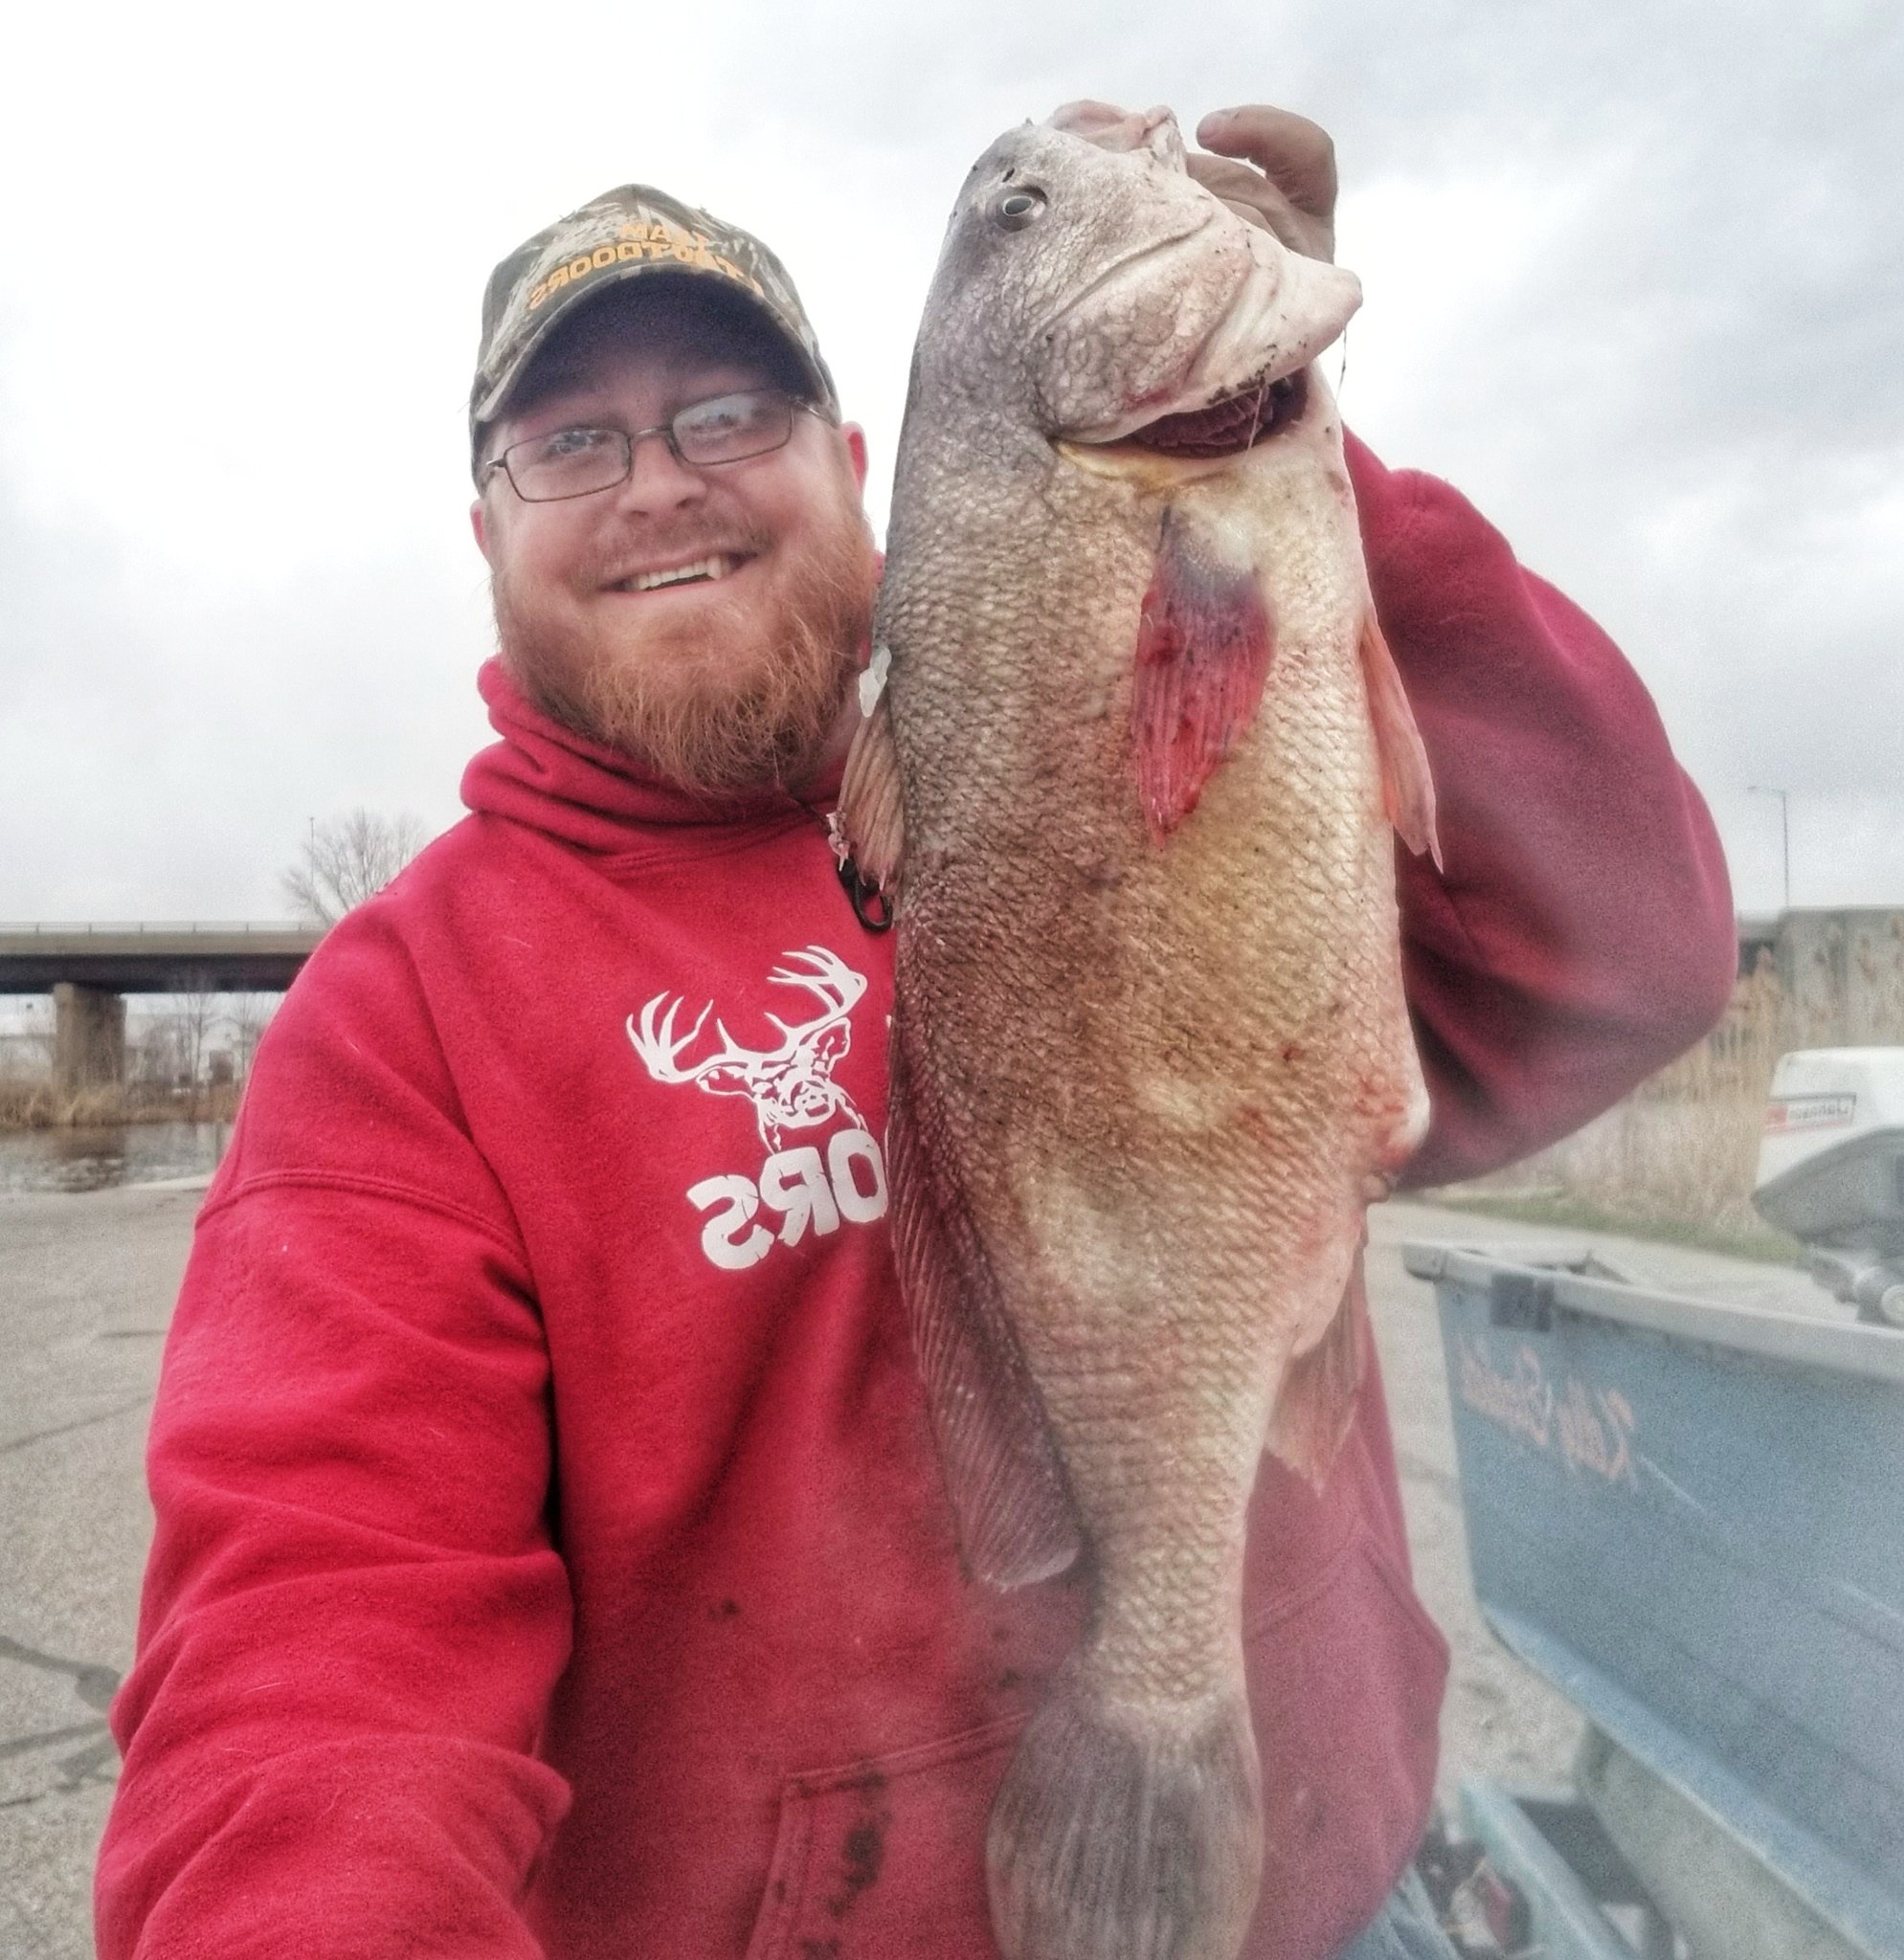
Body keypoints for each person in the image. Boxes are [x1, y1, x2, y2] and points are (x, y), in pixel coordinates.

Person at [95, 105, 1736, 1960]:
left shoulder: (1163, 713)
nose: (660, 484)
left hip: (1343, 1884)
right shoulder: (399, 1019)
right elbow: (314, 1640)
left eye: (728, 415)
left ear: (860, 460)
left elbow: (1625, 964)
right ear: (485, 532)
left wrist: (1283, 450)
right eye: (572, 443)